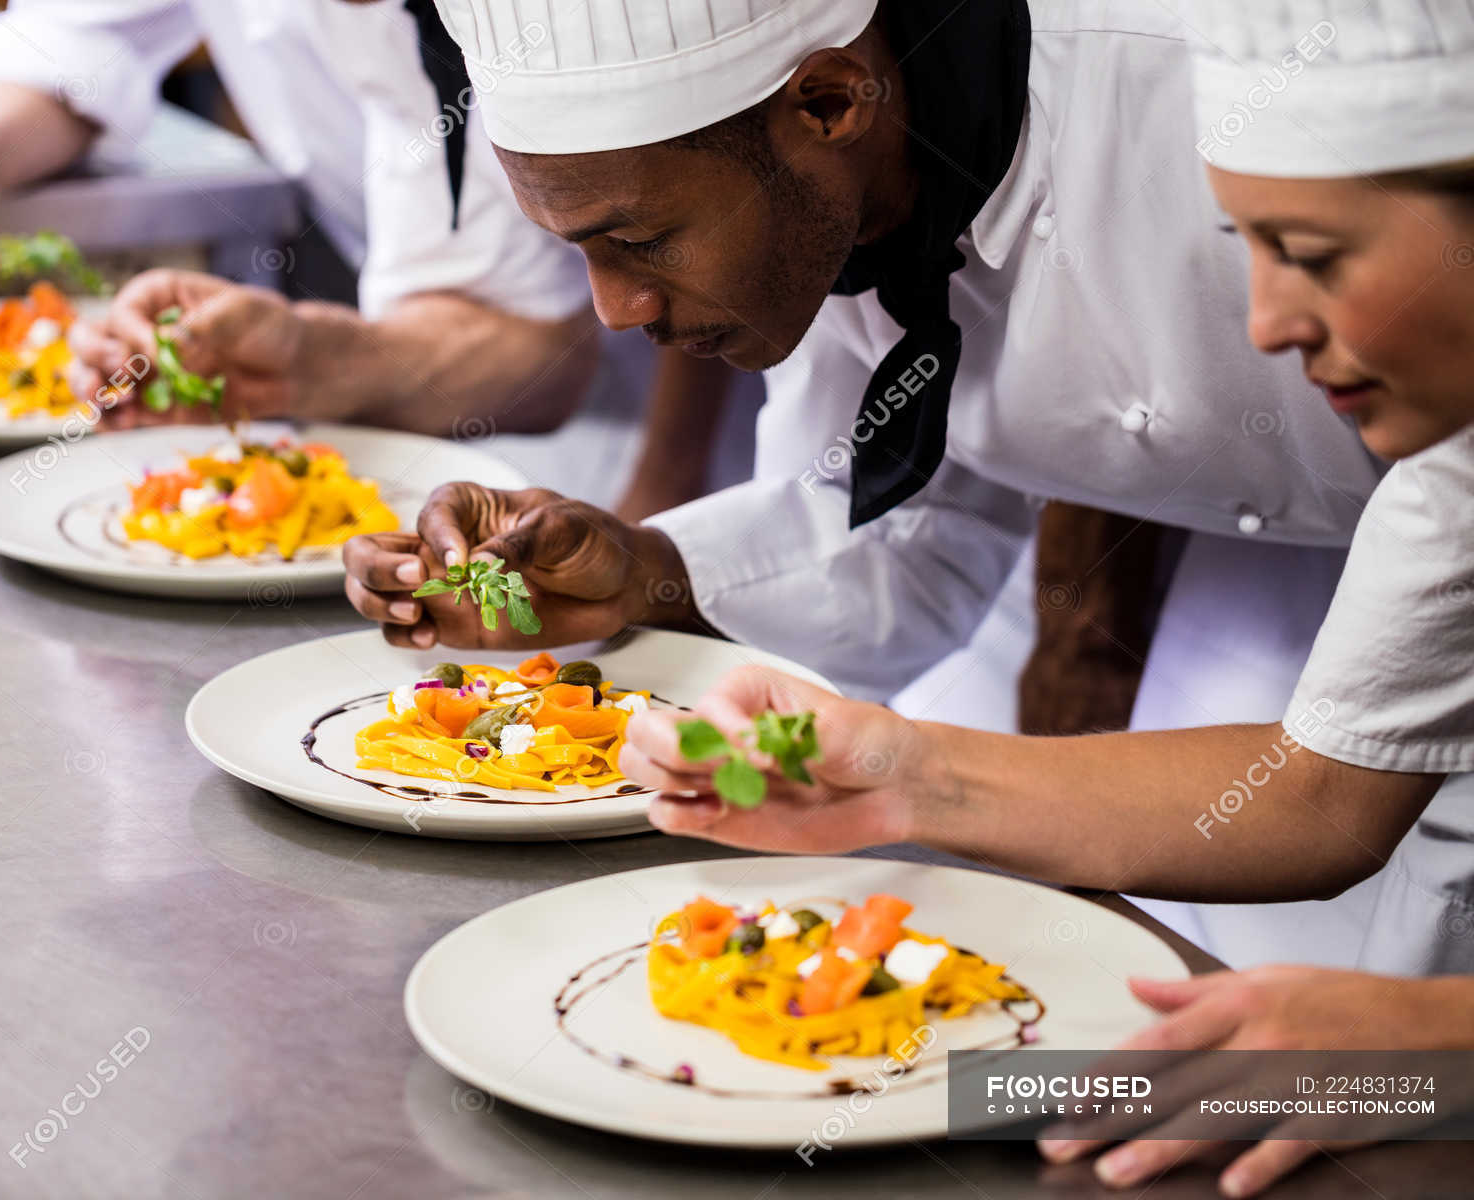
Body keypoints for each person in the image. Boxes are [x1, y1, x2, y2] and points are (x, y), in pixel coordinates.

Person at [618, 3, 1474, 1192]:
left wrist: (1439, 1043)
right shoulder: (1455, 456)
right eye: (1246, 246)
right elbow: (1329, 795)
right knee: (1010, 1095)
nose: (1266, 324)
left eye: (1315, 256)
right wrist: (890, 773)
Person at [345, 0, 1385, 965]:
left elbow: (1332, 802)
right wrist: (646, 571)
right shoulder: (830, 204)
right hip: (1257, 647)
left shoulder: (1223, 100)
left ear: (831, 102)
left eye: (642, 240)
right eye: (578, 253)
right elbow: (904, 532)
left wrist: (913, 778)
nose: (614, 311)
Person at [0, 0, 731, 518]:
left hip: (708, 383)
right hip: (453, 361)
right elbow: (85, 40)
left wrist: (669, 485)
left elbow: (702, 197)